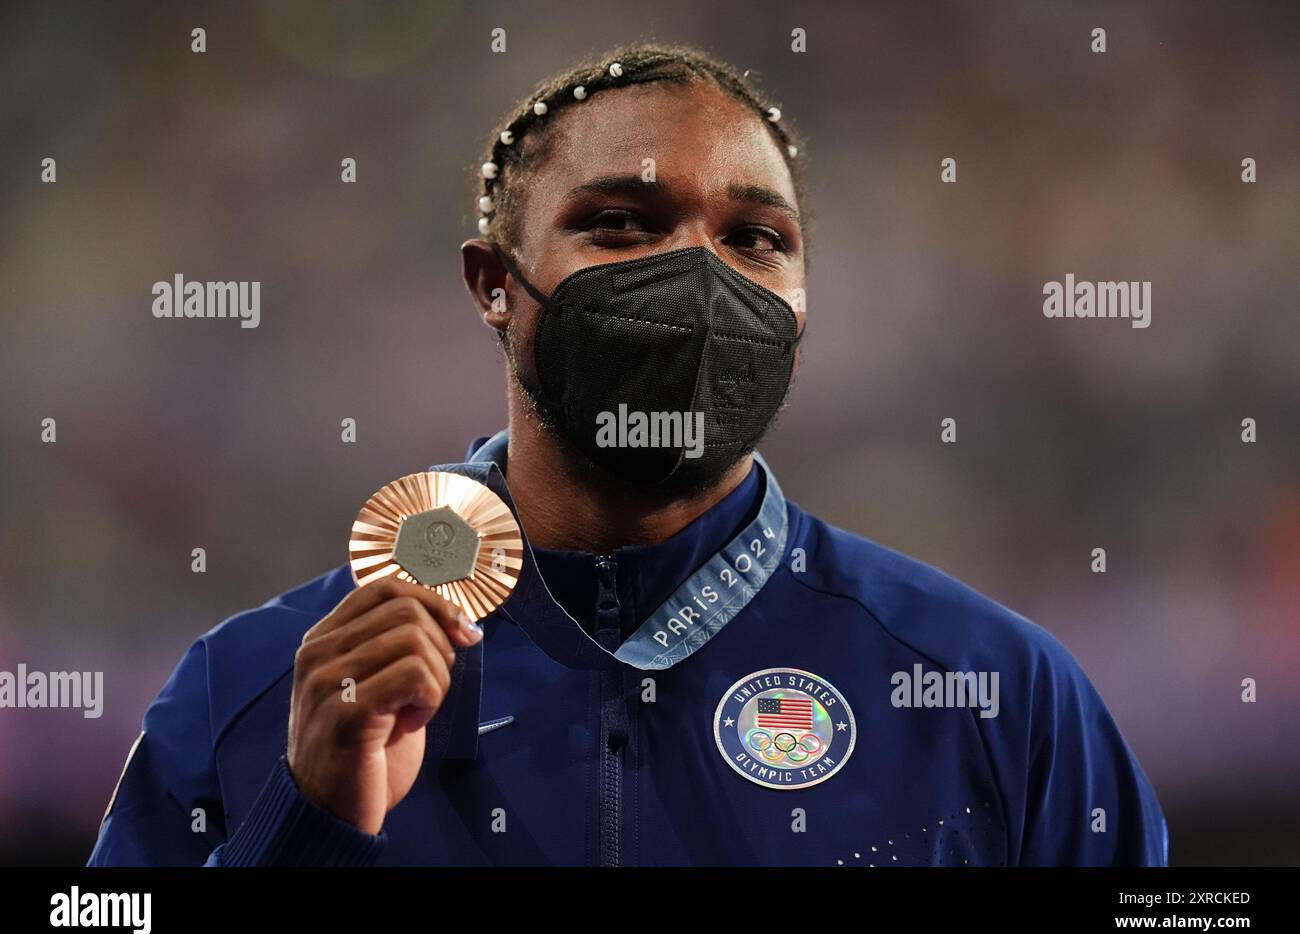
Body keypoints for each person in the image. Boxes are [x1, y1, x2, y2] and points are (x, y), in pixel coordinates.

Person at [88, 44, 1166, 866]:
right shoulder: (256, 686)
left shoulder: (993, 690)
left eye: (755, 239)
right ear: (493, 284)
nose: (697, 279)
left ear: (801, 301)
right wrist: (308, 826)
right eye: (620, 222)